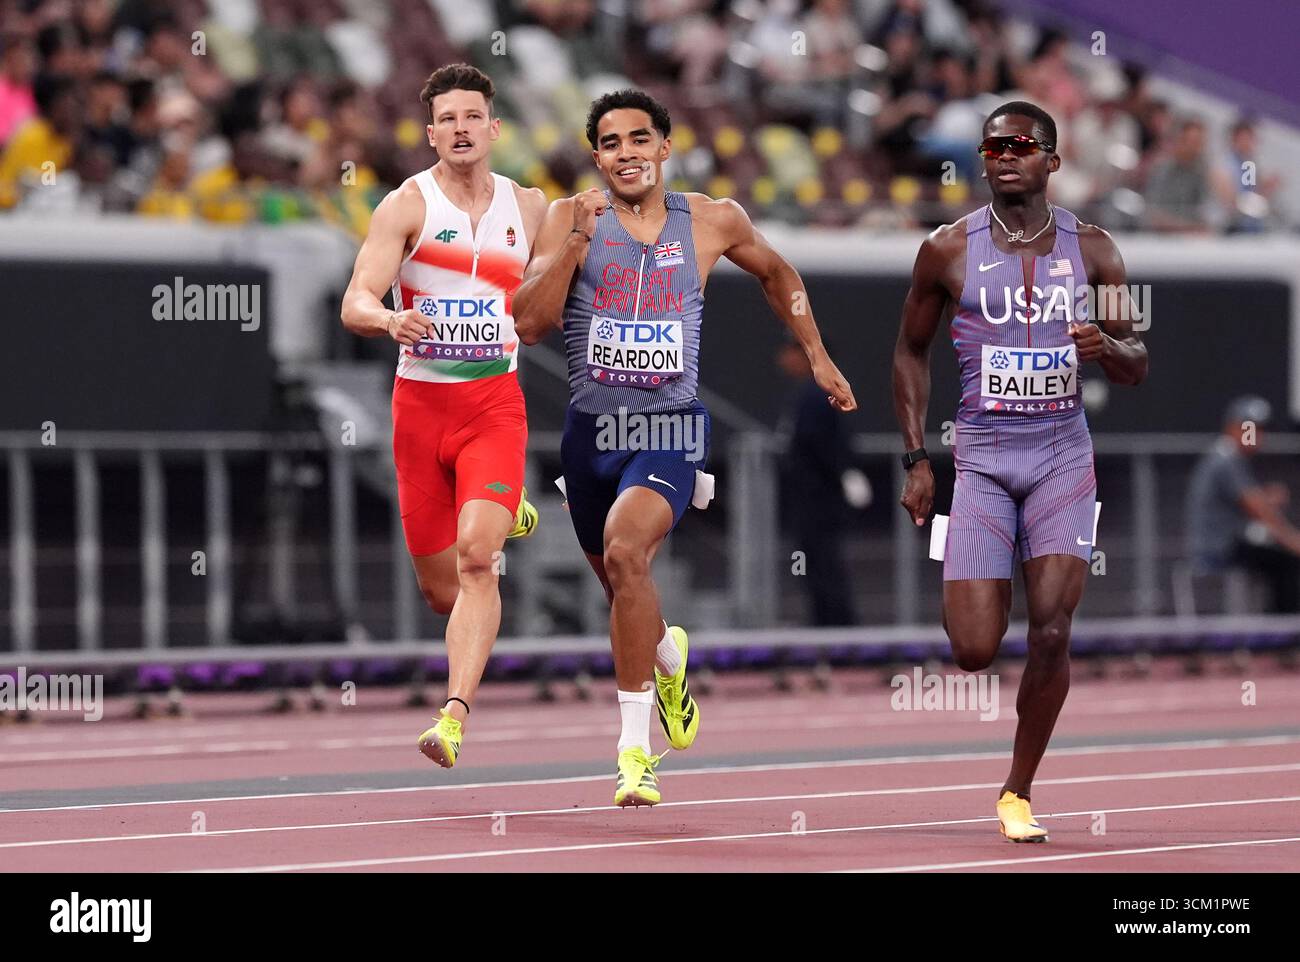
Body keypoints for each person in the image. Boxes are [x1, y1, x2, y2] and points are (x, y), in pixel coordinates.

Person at [514, 89, 856, 806]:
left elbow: (778, 274)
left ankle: (634, 753)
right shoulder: (565, 215)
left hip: (668, 427)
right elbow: (530, 324)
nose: (627, 153)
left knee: (626, 552)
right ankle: (669, 663)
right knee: (621, 588)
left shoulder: (711, 219)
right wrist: (576, 243)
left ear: (665, 148)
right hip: (591, 433)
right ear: (597, 156)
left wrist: (817, 354)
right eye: (611, 143)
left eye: (641, 139)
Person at [892, 101, 1148, 842]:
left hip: (1063, 456)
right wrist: (916, 457)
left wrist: (1109, 345)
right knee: (972, 650)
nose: (1004, 155)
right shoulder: (946, 249)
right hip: (982, 458)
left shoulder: (1096, 251)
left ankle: (1017, 789)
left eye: (1021, 145)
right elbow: (909, 352)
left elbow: (1136, 362)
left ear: (1052, 162)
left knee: (1052, 631)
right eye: (993, 145)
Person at [340, 63, 545, 768]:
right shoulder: (406, 205)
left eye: (472, 117)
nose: (460, 130)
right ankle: (508, 512)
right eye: (447, 120)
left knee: (478, 559)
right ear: (431, 134)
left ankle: (453, 715)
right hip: (421, 409)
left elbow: (567, 288)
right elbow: (354, 300)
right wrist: (389, 318)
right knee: (441, 592)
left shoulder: (532, 207)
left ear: (495, 128)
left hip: (493, 403)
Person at [1186, 397, 1300, 613]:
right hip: (1218, 548)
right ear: (1232, 428)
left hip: (1227, 543)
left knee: (1278, 559)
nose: (1255, 436)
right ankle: (1280, 638)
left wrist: (1265, 498)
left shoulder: (1228, 458)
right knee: (1288, 561)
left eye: (1259, 430)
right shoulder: (1226, 460)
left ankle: (1276, 634)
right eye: (1248, 428)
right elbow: (1259, 511)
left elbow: (1249, 501)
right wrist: (1293, 541)